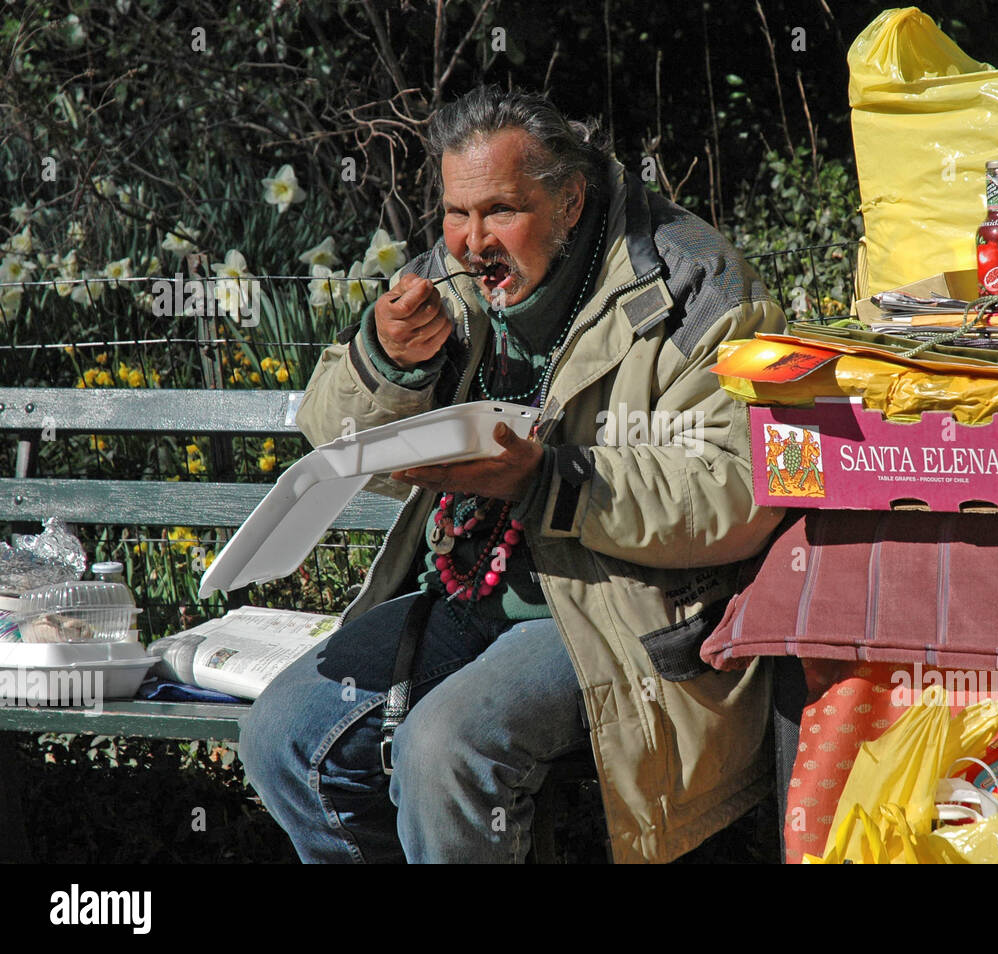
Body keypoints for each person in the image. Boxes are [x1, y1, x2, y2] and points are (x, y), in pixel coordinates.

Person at [239, 84, 786, 863]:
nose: (470, 240)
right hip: (466, 588)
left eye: (500, 210)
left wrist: (546, 481)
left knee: (445, 749)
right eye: (455, 213)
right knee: (281, 735)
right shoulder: (452, 277)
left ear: (570, 202)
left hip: (621, 607)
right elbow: (330, 434)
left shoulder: (690, 280)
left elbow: (738, 488)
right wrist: (387, 360)